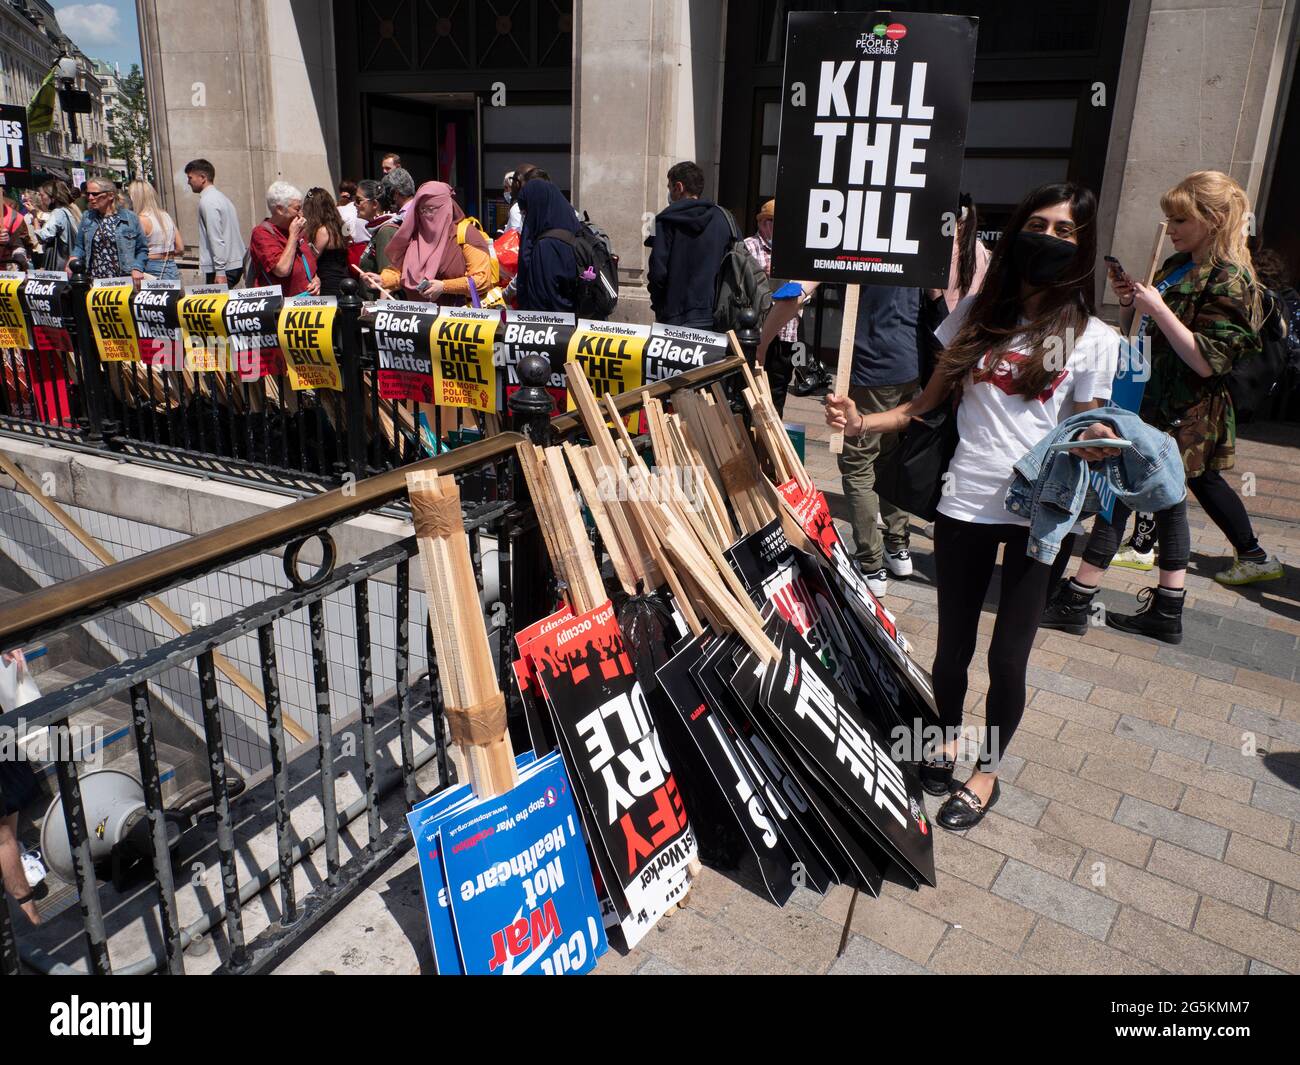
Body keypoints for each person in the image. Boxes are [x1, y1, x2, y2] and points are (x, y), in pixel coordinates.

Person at [825, 181, 1122, 830]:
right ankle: (944, 737)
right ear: (1015, 231)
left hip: (1037, 516)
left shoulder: (1095, 339)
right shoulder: (976, 317)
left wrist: (1101, 441)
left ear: (1082, 248)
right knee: (952, 648)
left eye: (1065, 231)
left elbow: (1090, 427)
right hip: (964, 501)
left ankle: (985, 772)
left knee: (1007, 656)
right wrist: (860, 421)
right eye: (1037, 224)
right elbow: (923, 405)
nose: (1048, 237)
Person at [1096, 170, 1282, 587]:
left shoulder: (1230, 279)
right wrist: (1130, 300)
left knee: (1158, 485)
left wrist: (1159, 309)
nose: (1171, 229)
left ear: (1213, 221)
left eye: (1181, 220)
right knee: (1167, 489)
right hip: (1151, 396)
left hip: (1189, 409)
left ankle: (1092, 582)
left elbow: (1206, 362)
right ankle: (1161, 584)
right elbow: (1139, 327)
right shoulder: (1178, 264)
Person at [647, 160, 731, 328]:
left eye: (669, 187)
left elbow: (657, 273)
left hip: (674, 317)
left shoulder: (663, 221)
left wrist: (660, 306)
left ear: (679, 187)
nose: (669, 192)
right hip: (715, 316)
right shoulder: (725, 219)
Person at [384, 180, 494, 305]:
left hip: (457, 319)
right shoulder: (416, 235)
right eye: (422, 210)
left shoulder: (466, 233)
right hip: (419, 319)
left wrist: (444, 286)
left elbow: (482, 279)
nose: (426, 215)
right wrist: (382, 280)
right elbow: (406, 276)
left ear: (446, 207)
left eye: (431, 209)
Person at [742, 200, 799, 415]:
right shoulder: (749, 246)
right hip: (757, 330)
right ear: (765, 222)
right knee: (752, 388)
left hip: (787, 331)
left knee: (778, 389)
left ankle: (774, 439)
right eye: (778, 222)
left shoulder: (792, 250)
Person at [515, 178, 579, 313]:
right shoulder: (574, 232)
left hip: (551, 328)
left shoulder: (545, 247)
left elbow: (542, 300)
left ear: (536, 207)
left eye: (526, 212)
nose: (525, 218)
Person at [246, 181, 320, 297]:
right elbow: (282, 270)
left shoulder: (297, 229)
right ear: (280, 209)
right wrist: (293, 236)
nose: (301, 214)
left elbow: (308, 264)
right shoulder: (262, 233)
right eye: (297, 209)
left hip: (307, 303)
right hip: (282, 308)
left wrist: (316, 280)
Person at [69, 177, 148, 282]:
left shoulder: (130, 218)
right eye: (88, 194)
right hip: (95, 281)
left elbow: (142, 249)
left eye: (95, 194)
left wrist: (137, 268)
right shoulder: (87, 217)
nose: (90, 197)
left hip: (124, 280)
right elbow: (79, 246)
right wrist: (73, 258)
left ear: (110, 195)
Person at [184, 158, 246, 287]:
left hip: (224, 268)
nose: (188, 182)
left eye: (190, 178)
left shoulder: (209, 201)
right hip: (231, 264)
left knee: (216, 306)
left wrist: (220, 271)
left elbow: (215, 237)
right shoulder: (221, 198)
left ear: (202, 177)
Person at [357, 174, 410, 296]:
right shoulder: (378, 229)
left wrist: (382, 310)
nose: (355, 205)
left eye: (358, 200)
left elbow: (387, 280)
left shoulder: (386, 231)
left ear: (374, 204)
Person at [128, 179, 184, 281]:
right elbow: (180, 248)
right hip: (171, 266)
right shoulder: (165, 215)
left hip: (150, 268)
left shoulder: (140, 219)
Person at [302, 186, 350, 298]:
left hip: (327, 283)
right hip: (342, 279)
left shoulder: (323, 231)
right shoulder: (341, 226)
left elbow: (311, 258)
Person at [33, 179, 81, 271]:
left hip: (61, 266)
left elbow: (43, 237)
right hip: (71, 262)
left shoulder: (58, 212)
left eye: (42, 195)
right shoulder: (70, 210)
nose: (41, 199)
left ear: (53, 197)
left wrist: (34, 216)